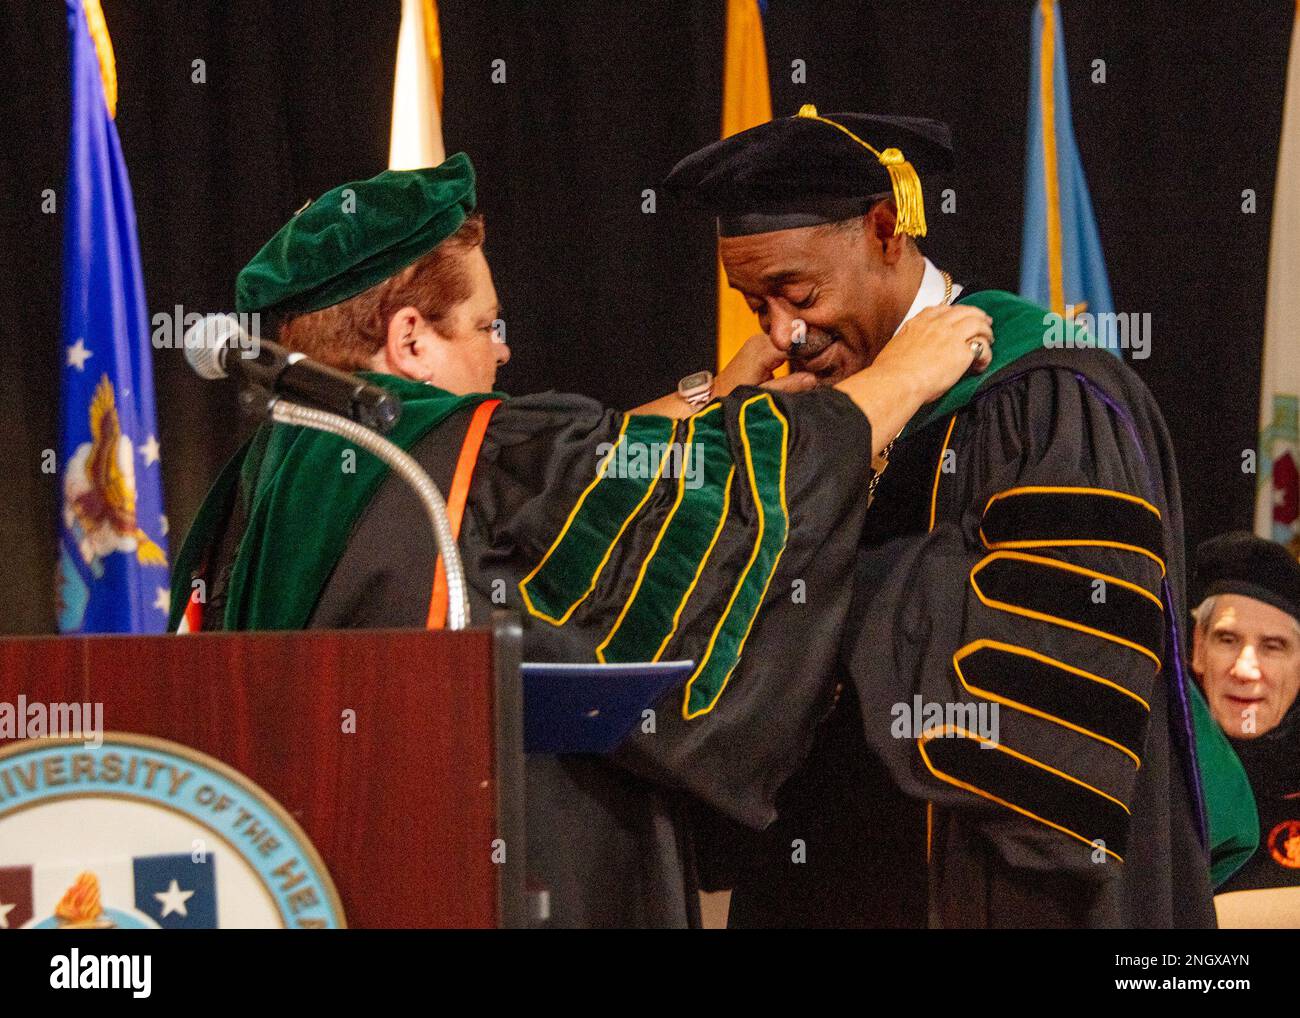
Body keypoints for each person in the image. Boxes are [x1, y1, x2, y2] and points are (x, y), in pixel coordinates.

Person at [169, 151, 994, 927]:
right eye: (488, 326)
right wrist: (907, 373)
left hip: (324, 877)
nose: (506, 349)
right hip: (499, 879)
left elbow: (583, 472)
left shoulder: (263, 484)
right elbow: (724, 486)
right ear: (411, 339)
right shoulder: (461, 455)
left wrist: (709, 397)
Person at [665, 104, 1251, 927]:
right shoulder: (798, 420)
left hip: (992, 885)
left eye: (797, 292)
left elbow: (1056, 658)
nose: (781, 332)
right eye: (753, 302)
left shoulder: (1044, 394)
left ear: (883, 230)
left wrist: (808, 598)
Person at [1191, 532, 1300, 924]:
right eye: (1227, 639)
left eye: (1273, 646)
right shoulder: (1156, 770)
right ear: (1197, 647)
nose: (1246, 669)